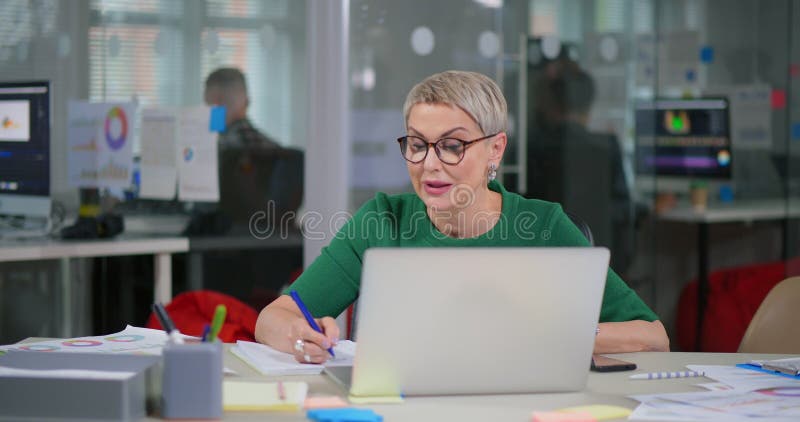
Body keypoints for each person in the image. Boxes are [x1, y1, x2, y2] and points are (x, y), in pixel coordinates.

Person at [255, 70, 669, 364]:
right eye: (417, 144)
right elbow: (274, 318)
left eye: (452, 146)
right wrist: (301, 336)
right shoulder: (382, 220)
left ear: (495, 150)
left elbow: (653, 338)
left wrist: (559, 335)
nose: (429, 164)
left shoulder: (543, 226)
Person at [525, 58, 635, 274]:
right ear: (588, 105)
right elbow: (623, 209)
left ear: (549, 103)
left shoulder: (534, 147)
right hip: (604, 266)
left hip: (544, 267)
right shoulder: (607, 146)